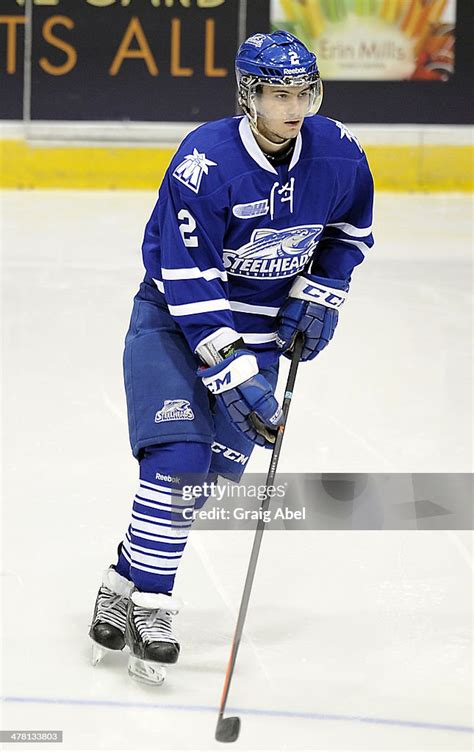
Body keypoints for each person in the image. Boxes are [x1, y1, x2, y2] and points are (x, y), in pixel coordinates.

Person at [89, 29, 374, 684]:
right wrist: (232, 368)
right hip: (173, 323)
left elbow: (350, 232)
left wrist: (322, 292)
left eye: (305, 92)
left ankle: (120, 580)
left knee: (206, 485)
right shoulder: (204, 162)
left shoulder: (338, 154)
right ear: (250, 95)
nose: (295, 108)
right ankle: (154, 606)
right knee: (176, 461)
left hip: (262, 334)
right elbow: (188, 281)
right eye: (280, 94)